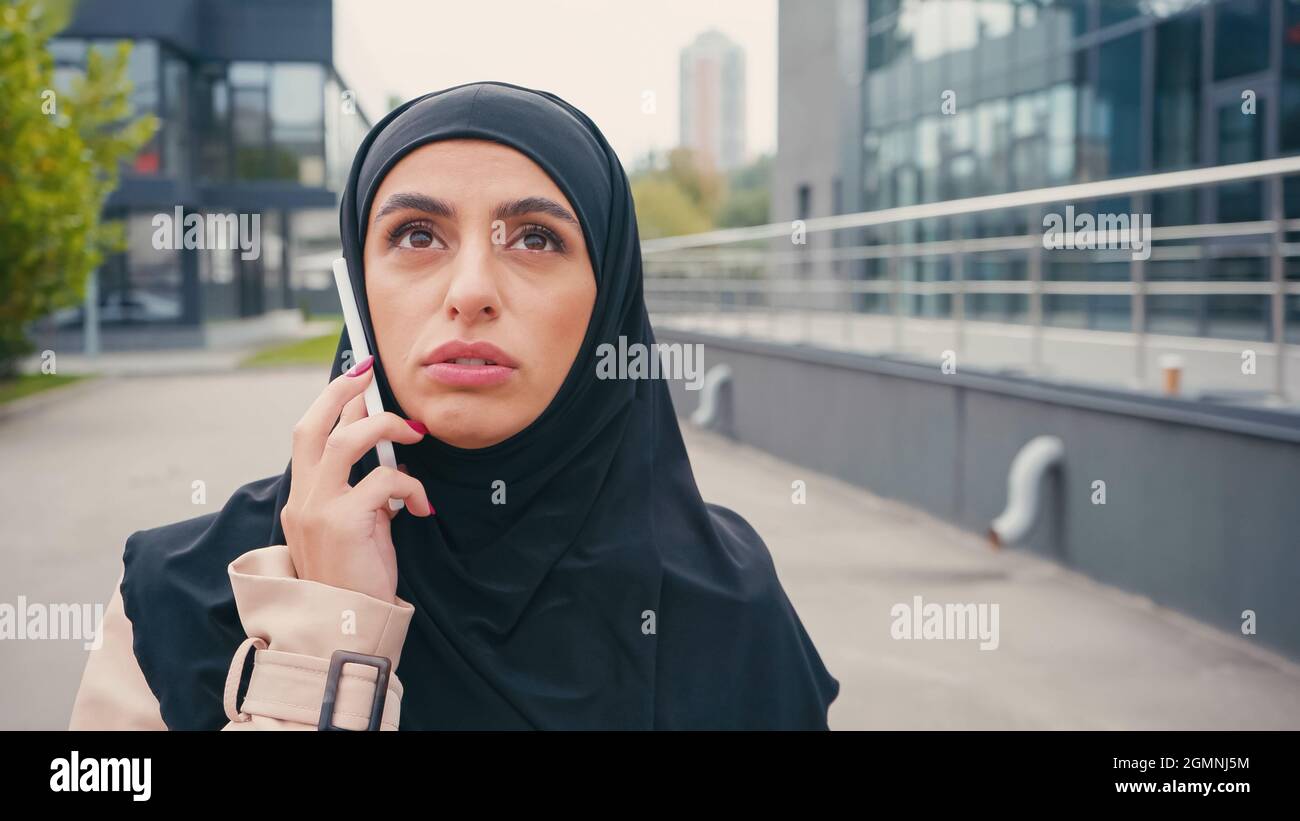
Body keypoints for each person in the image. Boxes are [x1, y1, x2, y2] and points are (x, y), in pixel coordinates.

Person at [68, 81, 840, 730]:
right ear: (359, 288)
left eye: (536, 238)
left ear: (609, 298)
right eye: (416, 234)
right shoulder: (181, 592)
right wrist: (324, 636)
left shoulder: (731, 606)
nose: (470, 291)